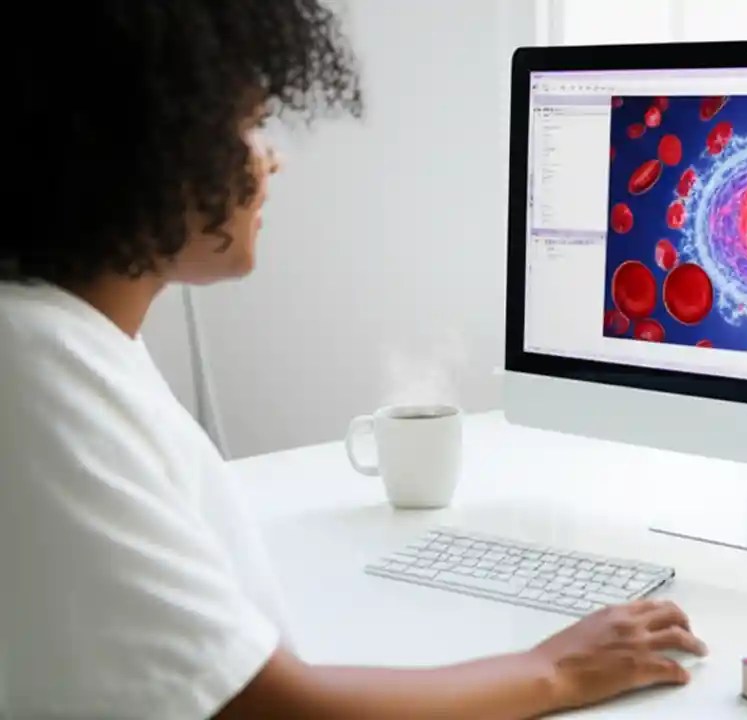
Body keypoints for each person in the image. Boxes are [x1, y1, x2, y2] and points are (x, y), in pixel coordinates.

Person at [0, 1, 706, 717]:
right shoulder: (34, 366)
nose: (268, 157)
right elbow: (265, 708)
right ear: (145, 146)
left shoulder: (71, 340)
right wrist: (552, 671)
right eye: (245, 125)